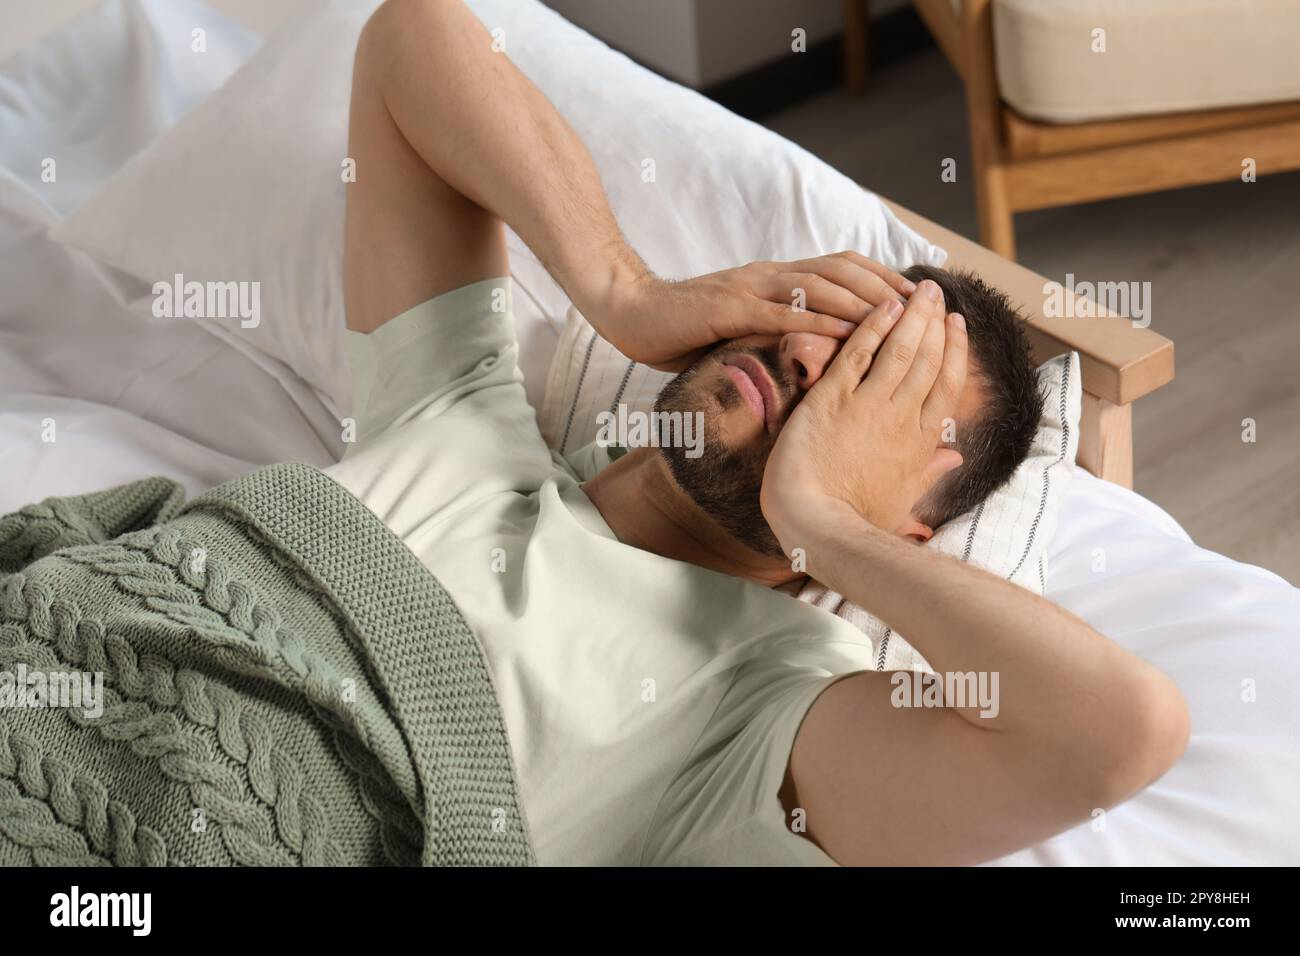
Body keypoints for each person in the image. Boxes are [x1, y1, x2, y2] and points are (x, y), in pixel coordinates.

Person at [326, 0, 1189, 865]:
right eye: (832, 317)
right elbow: (414, 34)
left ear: (909, 529)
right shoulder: (462, 415)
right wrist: (627, 292)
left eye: (872, 385)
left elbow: (1120, 730)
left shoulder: (755, 706)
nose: (808, 352)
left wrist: (824, 523)